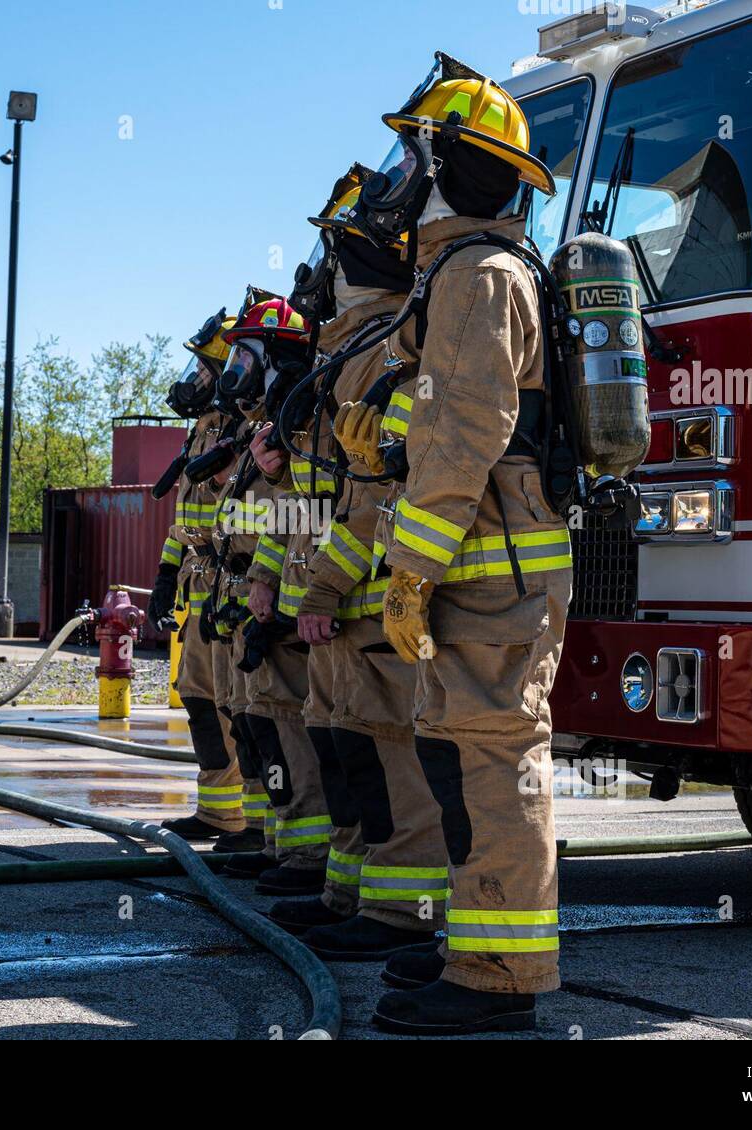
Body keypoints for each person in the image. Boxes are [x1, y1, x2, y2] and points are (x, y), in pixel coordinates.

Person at [344, 52, 574, 1035]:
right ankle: (471, 946)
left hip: (491, 572)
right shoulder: (460, 276)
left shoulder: (480, 278)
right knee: (463, 755)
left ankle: (500, 981)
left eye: (414, 156)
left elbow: (460, 434)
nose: (399, 179)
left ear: (447, 168)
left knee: (492, 753)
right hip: (482, 569)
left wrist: (411, 565)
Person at [260, 167, 451, 961]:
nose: (326, 278)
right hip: (344, 604)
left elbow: (375, 495)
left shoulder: (383, 352)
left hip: (376, 600)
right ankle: (351, 891)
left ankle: (401, 912)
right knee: (350, 754)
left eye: (337, 257)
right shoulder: (350, 354)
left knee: (391, 761)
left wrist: (326, 582)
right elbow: (329, 501)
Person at [205, 290, 315, 876]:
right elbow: (269, 525)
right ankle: (272, 839)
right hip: (257, 598)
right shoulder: (265, 433)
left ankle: (301, 850)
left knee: (291, 730)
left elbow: (303, 511)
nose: (232, 377)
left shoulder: (294, 429)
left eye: (243, 361)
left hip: (298, 606)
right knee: (259, 727)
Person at [149, 309, 263, 851]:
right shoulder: (207, 430)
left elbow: (252, 517)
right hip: (203, 588)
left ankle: (260, 827)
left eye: (203, 372)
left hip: (239, 588)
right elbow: (188, 521)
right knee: (199, 699)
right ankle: (219, 813)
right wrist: (167, 570)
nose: (193, 382)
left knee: (244, 708)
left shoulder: (252, 433)